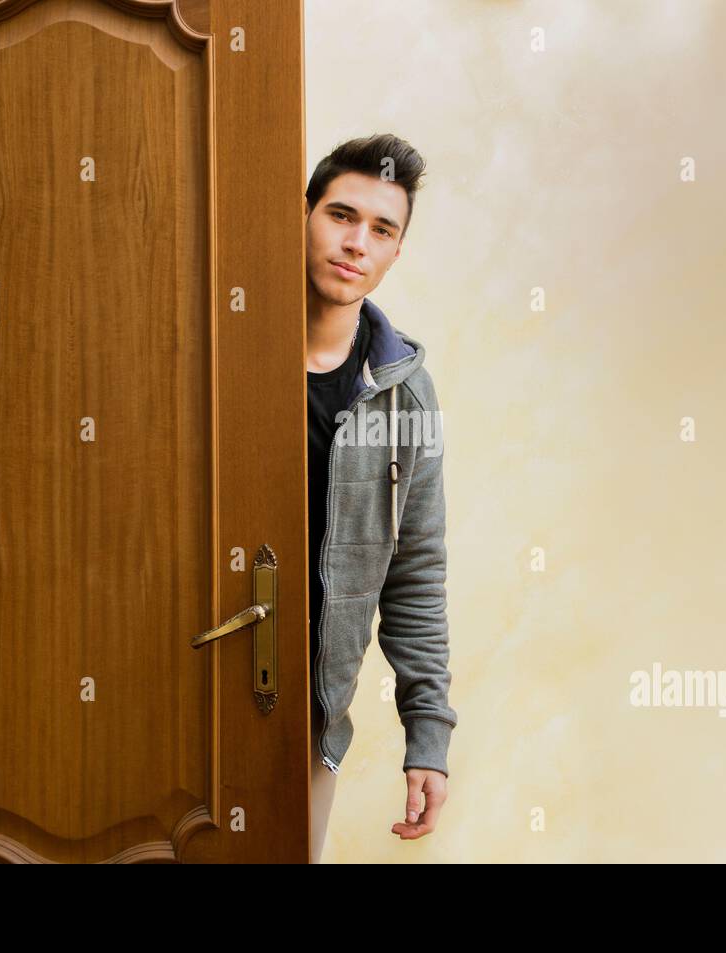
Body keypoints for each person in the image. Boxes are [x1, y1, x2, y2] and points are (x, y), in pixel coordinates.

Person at [304, 134, 458, 863]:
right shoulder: (218, 348)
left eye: (381, 229)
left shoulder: (405, 396)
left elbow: (417, 570)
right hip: (177, 686)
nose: (356, 242)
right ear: (301, 218)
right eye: (340, 215)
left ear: (396, 253)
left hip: (305, 721)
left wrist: (427, 736)